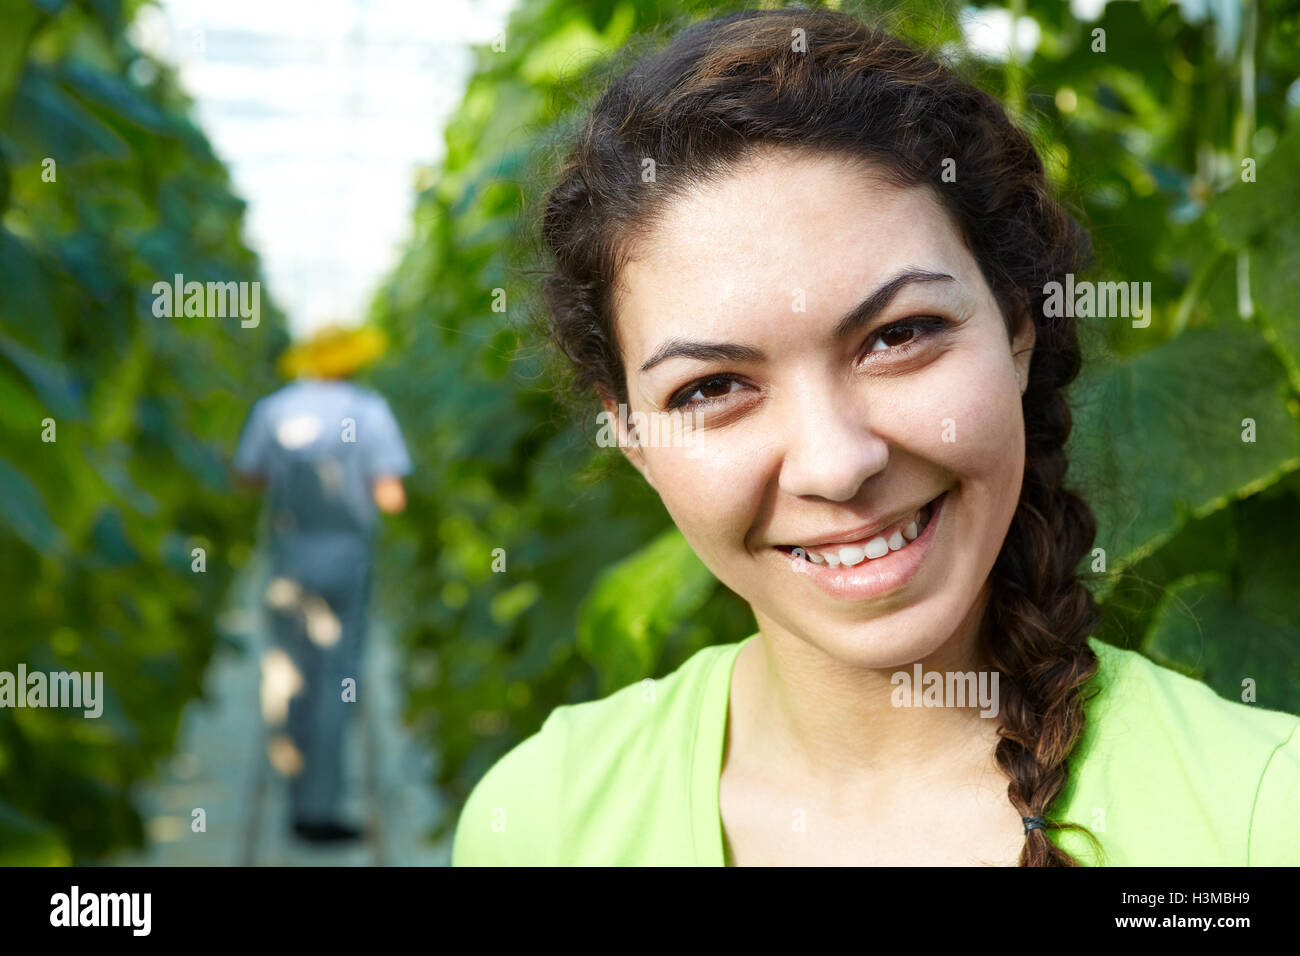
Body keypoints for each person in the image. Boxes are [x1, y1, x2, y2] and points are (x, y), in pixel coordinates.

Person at [452, 8, 1300, 866]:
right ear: (629, 433)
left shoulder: (1263, 818)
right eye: (713, 386)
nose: (837, 464)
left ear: (1017, 326)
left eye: (897, 335)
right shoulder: (539, 821)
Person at [234, 324, 411, 844]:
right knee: (338, 679)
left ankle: (291, 785)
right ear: (351, 361)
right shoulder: (369, 410)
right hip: (346, 559)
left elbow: (247, 477)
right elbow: (390, 496)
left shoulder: (273, 409)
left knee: (290, 671)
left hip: (291, 558)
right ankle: (319, 809)